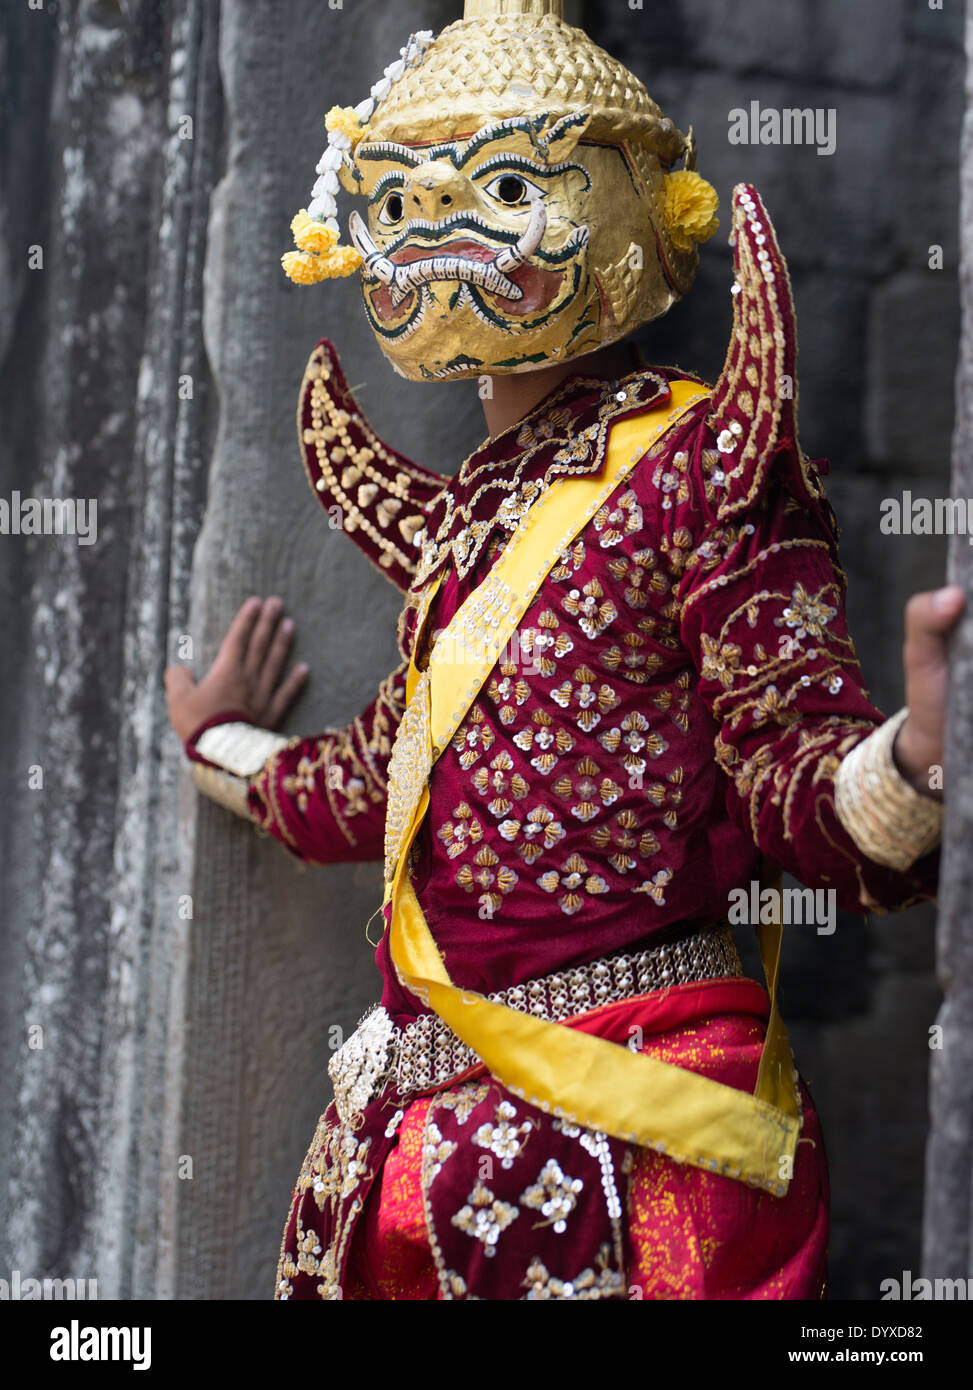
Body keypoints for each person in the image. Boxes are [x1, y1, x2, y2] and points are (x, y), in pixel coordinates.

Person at [164, 0, 961, 1300]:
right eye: (406, 210)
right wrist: (217, 740)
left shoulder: (705, 465)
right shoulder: (466, 511)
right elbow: (377, 785)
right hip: (403, 1138)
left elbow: (795, 785)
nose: (435, 247)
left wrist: (917, 753)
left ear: (615, 211)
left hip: (634, 1121)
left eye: (499, 193)